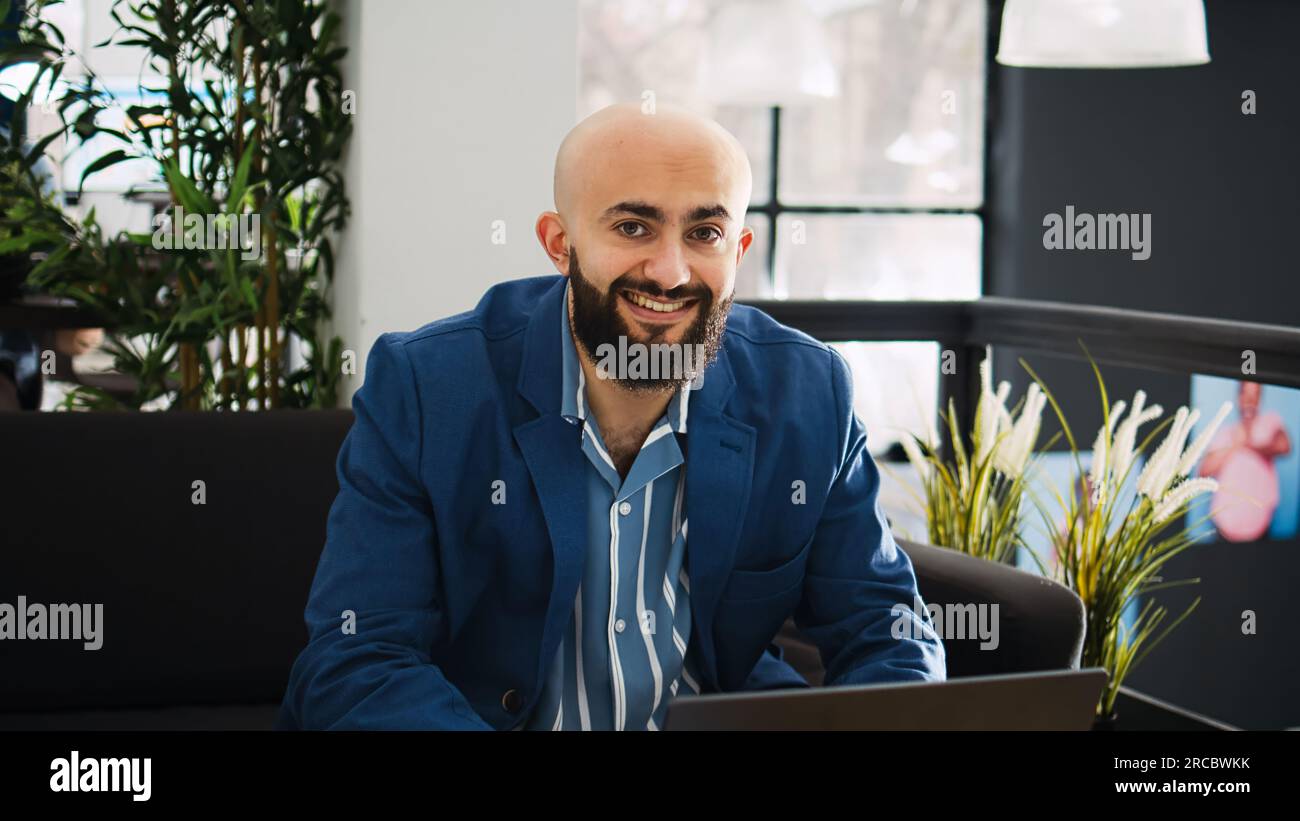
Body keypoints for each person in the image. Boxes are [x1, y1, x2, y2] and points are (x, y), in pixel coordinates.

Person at [277, 103, 944, 731]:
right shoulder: (429, 386)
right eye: (634, 226)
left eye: (704, 232)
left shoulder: (808, 391)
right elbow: (355, 659)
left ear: (737, 249)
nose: (670, 270)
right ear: (559, 243)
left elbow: (885, 627)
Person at [1198, 380, 1293, 542]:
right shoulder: (1225, 432)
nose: (1250, 400)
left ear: (1260, 398)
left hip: (1262, 532)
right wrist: (1235, 444)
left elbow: (1284, 447)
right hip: (1223, 533)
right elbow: (1204, 470)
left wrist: (1250, 444)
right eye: (1246, 394)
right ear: (1238, 397)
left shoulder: (1270, 423)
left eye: (1255, 395)